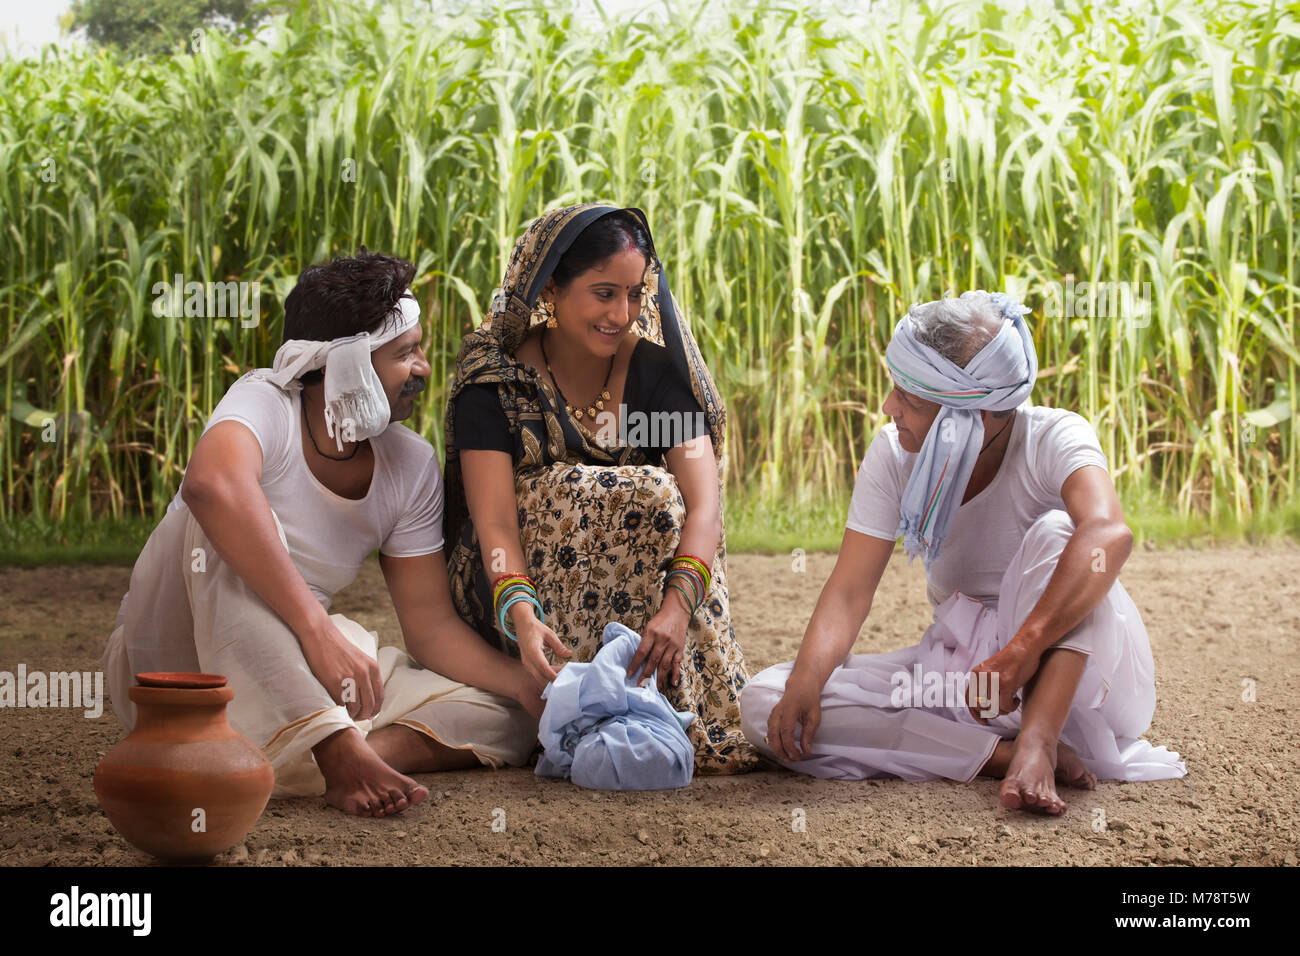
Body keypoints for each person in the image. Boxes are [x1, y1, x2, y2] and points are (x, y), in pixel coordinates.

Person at [103, 250, 542, 818]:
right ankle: (332, 752)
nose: (425, 368)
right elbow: (210, 487)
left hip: (288, 668)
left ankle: (341, 750)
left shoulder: (409, 465)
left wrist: (526, 684)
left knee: (505, 712)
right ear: (350, 364)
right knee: (219, 525)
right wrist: (316, 631)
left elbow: (430, 628)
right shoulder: (265, 401)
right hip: (174, 668)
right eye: (406, 352)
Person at [739, 291, 1185, 814]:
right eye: (894, 389)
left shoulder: (1054, 436)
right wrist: (808, 681)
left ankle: (1041, 738)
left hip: (1085, 687)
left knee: (1063, 533)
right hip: (973, 690)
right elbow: (850, 590)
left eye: (911, 398)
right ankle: (1000, 755)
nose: (889, 408)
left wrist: (1022, 651)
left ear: (974, 413)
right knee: (767, 701)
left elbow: (1110, 534)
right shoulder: (893, 453)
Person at [444, 204, 756, 773]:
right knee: (581, 491)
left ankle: (664, 700)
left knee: (664, 501)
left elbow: (707, 504)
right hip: (526, 594)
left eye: (636, 294)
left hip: (660, 603)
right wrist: (519, 613)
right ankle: (580, 700)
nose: (624, 314)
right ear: (552, 288)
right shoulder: (495, 381)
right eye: (604, 293)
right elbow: (494, 523)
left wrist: (677, 608)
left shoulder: (656, 373)